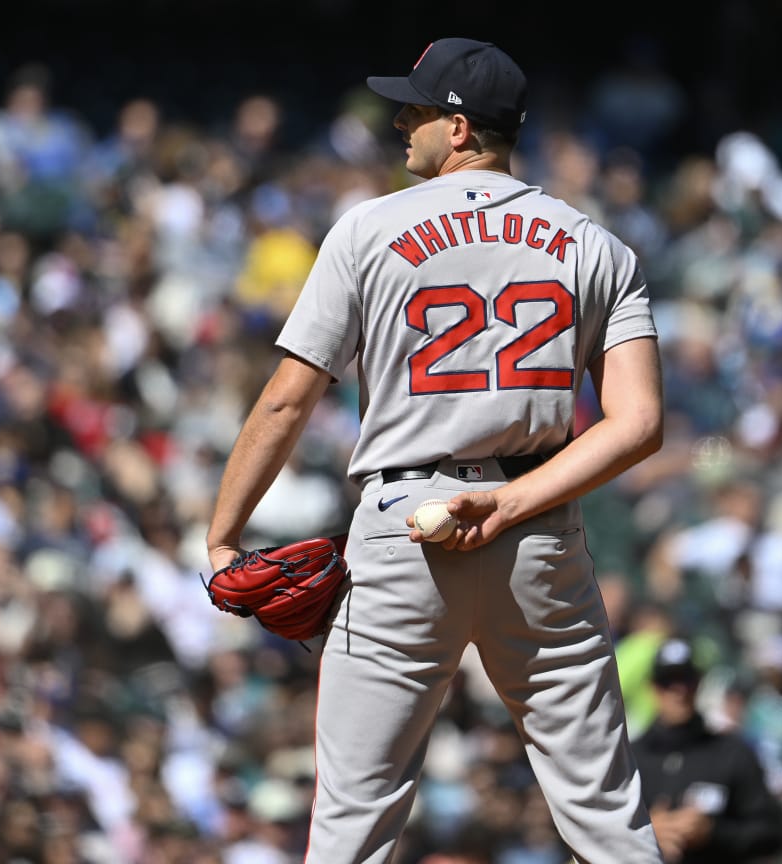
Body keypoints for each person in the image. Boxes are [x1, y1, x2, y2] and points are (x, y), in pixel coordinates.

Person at [204, 37, 666, 863]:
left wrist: (222, 535)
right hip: (536, 533)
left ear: (459, 129)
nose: (399, 123)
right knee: (604, 811)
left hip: (402, 529)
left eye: (414, 109)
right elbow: (638, 424)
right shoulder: (596, 243)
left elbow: (285, 398)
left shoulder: (368, 230)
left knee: (354, 814)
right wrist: (515, 503)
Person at [630, 638, 782, 863]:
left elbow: (773, 831)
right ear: (653, 689)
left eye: (687, 680)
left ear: (699, 683)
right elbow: (594, 829)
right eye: (668, 682)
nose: (679, 690)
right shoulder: (630, 758)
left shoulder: (731, 752)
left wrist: (713, 832)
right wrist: (645, 832)